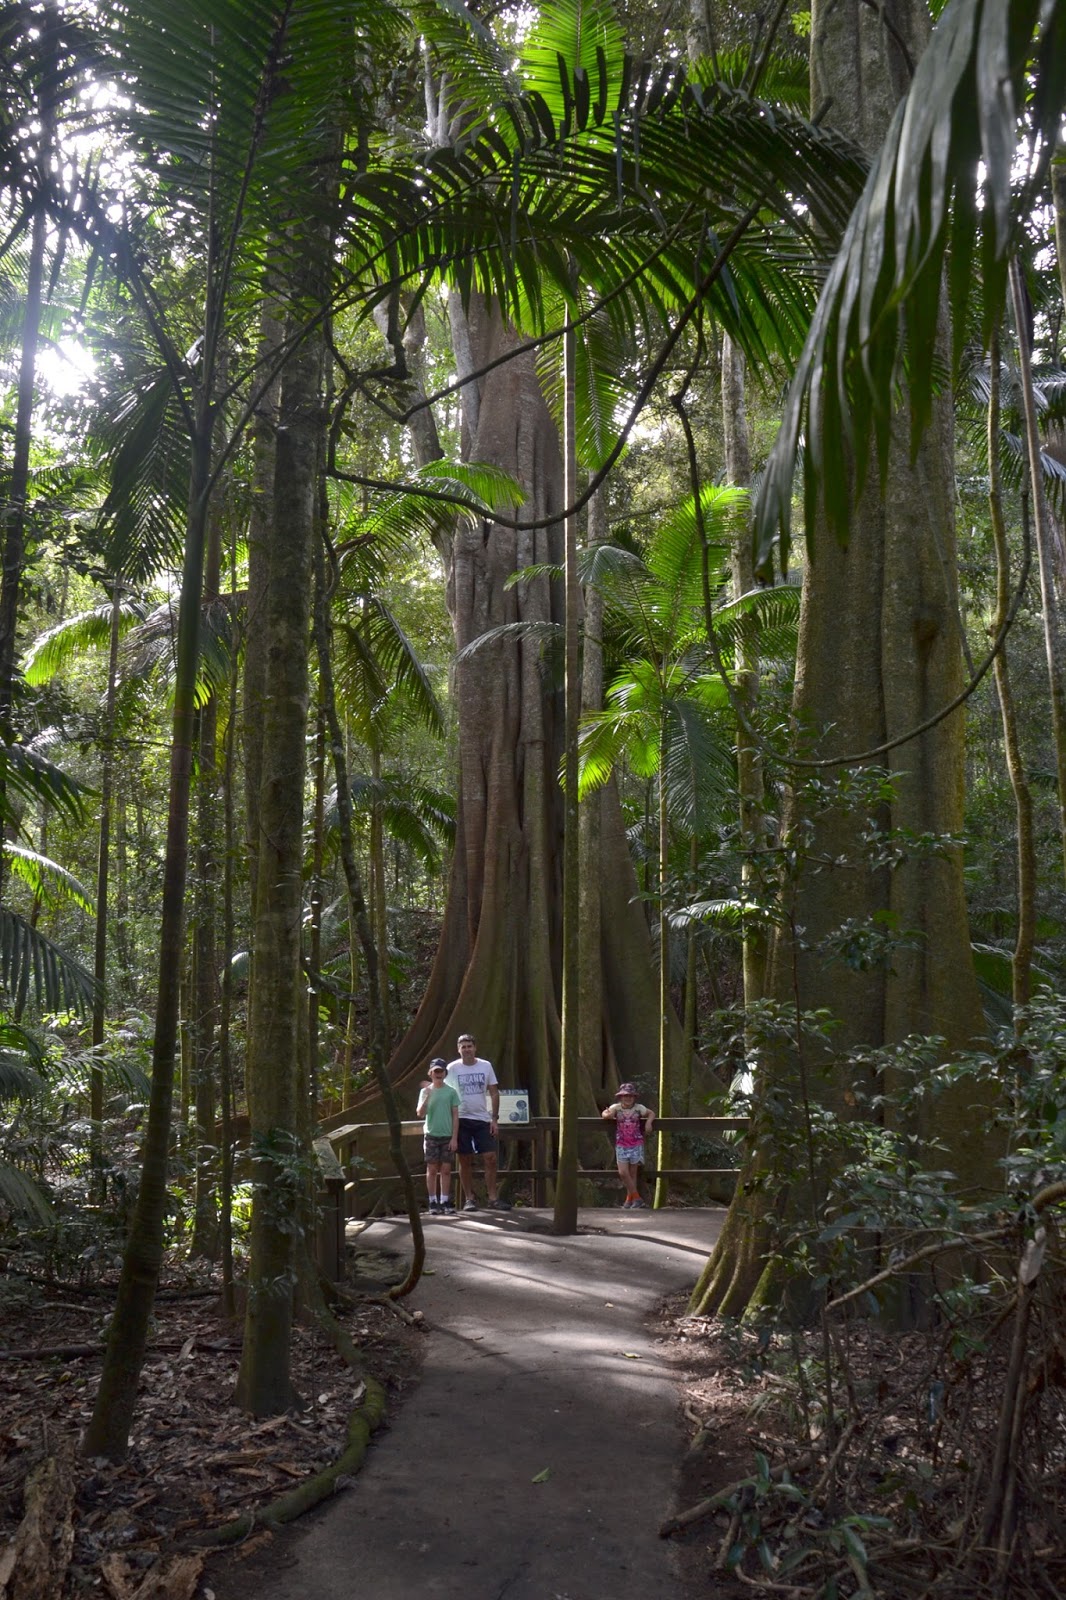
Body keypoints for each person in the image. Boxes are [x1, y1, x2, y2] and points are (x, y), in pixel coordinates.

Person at [445, 1032, 511, 1211]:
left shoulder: (485, 1066)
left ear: (475, 1048)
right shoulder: (452, 1068)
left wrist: (494, 1119)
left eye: (469, 1046)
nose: (467, 1049)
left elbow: (494, 1092)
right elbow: (444, 1092)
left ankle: (493, 1198)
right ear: (458, 1049)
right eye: (463, 1047)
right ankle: (469, 1199)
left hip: (482, 1118)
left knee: (490, 1158)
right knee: (465, 1159)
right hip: (461, 1119)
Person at [416, 1058, 460, 1215]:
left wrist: (454, 1138)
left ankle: (445, 1200)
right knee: (432, 1168)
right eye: (436, 1071)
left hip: (447, 1136)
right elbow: (420, 1113)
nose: (438, 1074)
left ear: (445, 1073)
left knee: (446, 1169)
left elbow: (455, 1116)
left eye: (441, 1071)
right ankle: (432, 1201)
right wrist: (428, 1096)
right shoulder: (425, 1092)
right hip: (431, 1135)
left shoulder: (451, 1092)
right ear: (430, 1073)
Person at [601, 1082, 654, 1209]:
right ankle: (637, 1198)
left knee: (632, 1173)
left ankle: (629, 1201)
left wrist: (648, 1123)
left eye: (630, 1096)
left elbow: (651, 1113)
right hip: (621, 1143)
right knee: (623, 1172)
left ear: (634, 1097)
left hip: (636, 1143)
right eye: (625, 1095)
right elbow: (605, 1114)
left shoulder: (639, 1108)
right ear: (620, 1097)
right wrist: (607, 1115)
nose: (628, 1098)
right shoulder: (616, 1107)